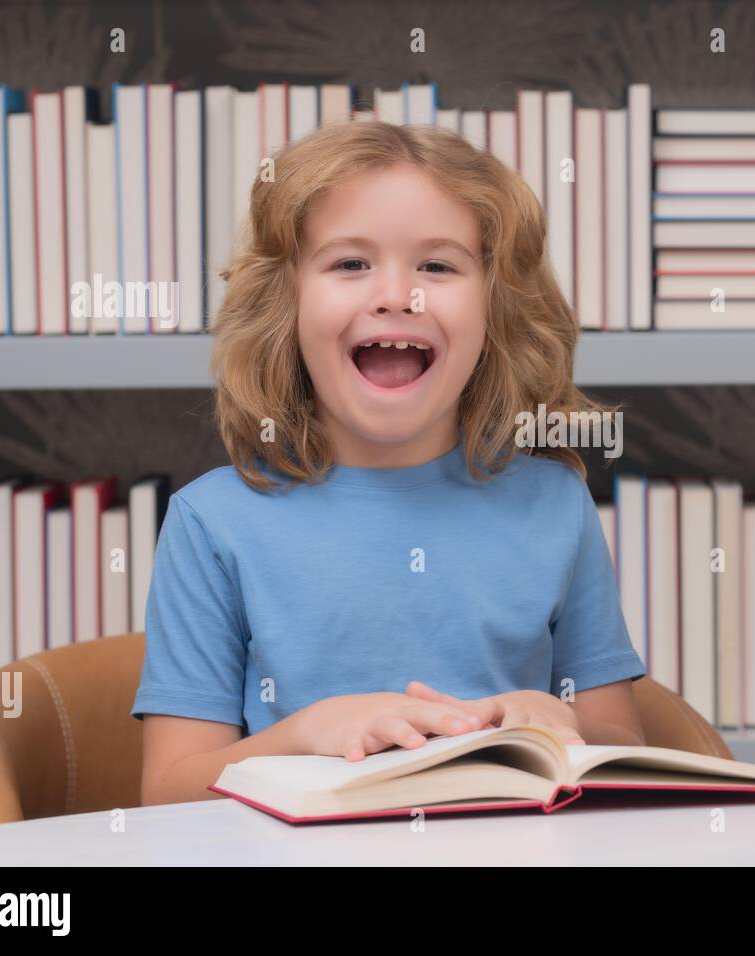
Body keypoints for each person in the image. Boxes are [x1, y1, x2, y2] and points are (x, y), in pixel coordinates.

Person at [132, 120, 647, 806]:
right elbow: (164, 794)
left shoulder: (557, 503)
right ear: (284, 303)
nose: (398, 295)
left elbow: (626, 755)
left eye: (438, 266)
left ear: (497, 308)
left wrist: (563, 720)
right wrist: (308, 731)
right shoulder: (212, 522)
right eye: (350, 263)